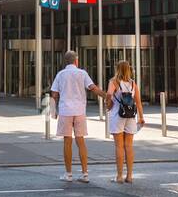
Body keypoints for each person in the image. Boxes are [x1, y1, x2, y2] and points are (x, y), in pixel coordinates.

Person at [49, 50, 107, 182]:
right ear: (76, 61)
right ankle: (85, 174)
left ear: (66, 61)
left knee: (67, 142)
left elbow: (54, 94)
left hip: (65, 111)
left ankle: (68, 174)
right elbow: (93, 88)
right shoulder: (82, 73)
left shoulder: (60, 74)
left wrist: (53, 111)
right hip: (80, 111)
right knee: (81, 141)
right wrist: (106, 97)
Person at [106, 60, 144, 182]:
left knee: (119, 146)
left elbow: (108, 94)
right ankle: (130, 176)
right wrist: (141, 117)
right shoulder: (133, 84)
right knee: (129, 146)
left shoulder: (114, 82)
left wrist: (109, 104)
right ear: (129, 69)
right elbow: (138, 102)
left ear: (117, 69)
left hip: (117, 116)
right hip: (131, 117)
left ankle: (119, 176)